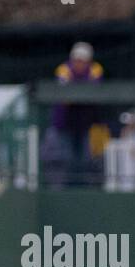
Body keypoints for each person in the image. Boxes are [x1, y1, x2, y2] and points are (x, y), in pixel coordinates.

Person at [51, 42, 105, 187]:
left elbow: (93, 91)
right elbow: (65, 94)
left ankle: (84, 188)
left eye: (82, 60)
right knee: (66, 158)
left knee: (86, 159)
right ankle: (67, 188)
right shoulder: (63, 69)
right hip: (65, 123)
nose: (79, 63)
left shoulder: (95, 69)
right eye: (77, 59)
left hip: (86, 123)